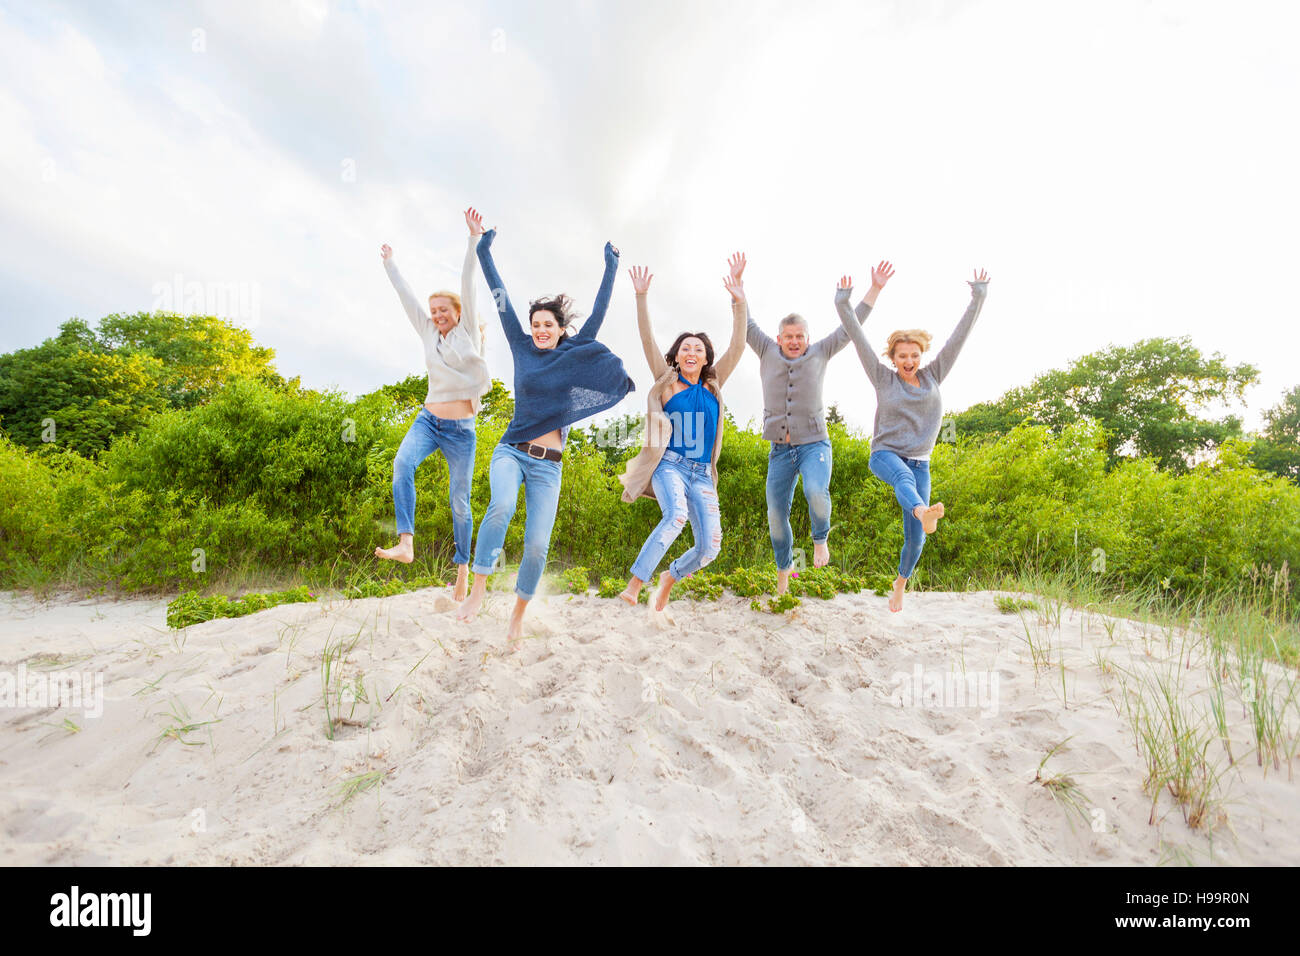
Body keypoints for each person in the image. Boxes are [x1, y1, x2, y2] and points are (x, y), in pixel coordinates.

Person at [456, 221, 634, 646]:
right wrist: (483, 248)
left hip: (549, 468)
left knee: (537, 546)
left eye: (547, 325)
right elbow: (499, 298)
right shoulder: (520, 346)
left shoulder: (573, 352)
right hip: (511, 451)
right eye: (535, 323)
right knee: (500, 508)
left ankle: (517, 614)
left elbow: (599, 312)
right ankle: (477, 589)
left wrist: (610, 266)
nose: (539, 329)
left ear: (559, 329)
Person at [737, 253, 894, 594]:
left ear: (807, 338)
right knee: (776, 516)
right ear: (779, 338)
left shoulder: (821, 351)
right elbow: (746, 325)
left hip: (814, 446)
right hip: (780, 451)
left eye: (800, 336)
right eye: (788, 336)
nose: (794, 341)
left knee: (815, 492)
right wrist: (739, 289)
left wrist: (873, 290)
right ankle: (785, 576)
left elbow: (850, 329)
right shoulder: (766, 350)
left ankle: (820, 540)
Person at [835, 268, 990, 612]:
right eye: (902, 356)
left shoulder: (934, 375)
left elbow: (959, 338)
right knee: (906, 484)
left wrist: (978, 296)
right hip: (886, 455)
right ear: (892, 358)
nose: (909, 360)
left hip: (922, 461)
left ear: (921, 356)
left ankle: (900, 584)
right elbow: (857, 336)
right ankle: (922, 510)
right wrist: (843, 302)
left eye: (914, 355)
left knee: (916, 538)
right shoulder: (883, 378)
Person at [616, 258, 749, 612]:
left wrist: (739, 301)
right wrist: (641, 297)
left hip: (703, 474)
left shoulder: (713, 385)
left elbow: (738, 344)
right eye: (685, 348)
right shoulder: (667, 381)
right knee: (675, 516)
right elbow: (647, 339)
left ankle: (669, 578)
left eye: (698, 349)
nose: (691, 352)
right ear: (676, 355)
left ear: (706, 359)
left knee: (710, 548)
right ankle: (634, 586)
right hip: (670, 466)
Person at [376, 207, 491, 602]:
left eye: (445, 310)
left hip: (462, 431)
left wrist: (473, 239)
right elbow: (407, 298)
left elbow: (468, 281)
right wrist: (391, 264)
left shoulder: (468, 335)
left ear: (458, 313)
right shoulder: (428, 332)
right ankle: (406, 543)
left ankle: (462, 571)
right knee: (402, 463)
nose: (438, 315)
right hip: (428, 421)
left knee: (459, 501)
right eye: (435, 310)